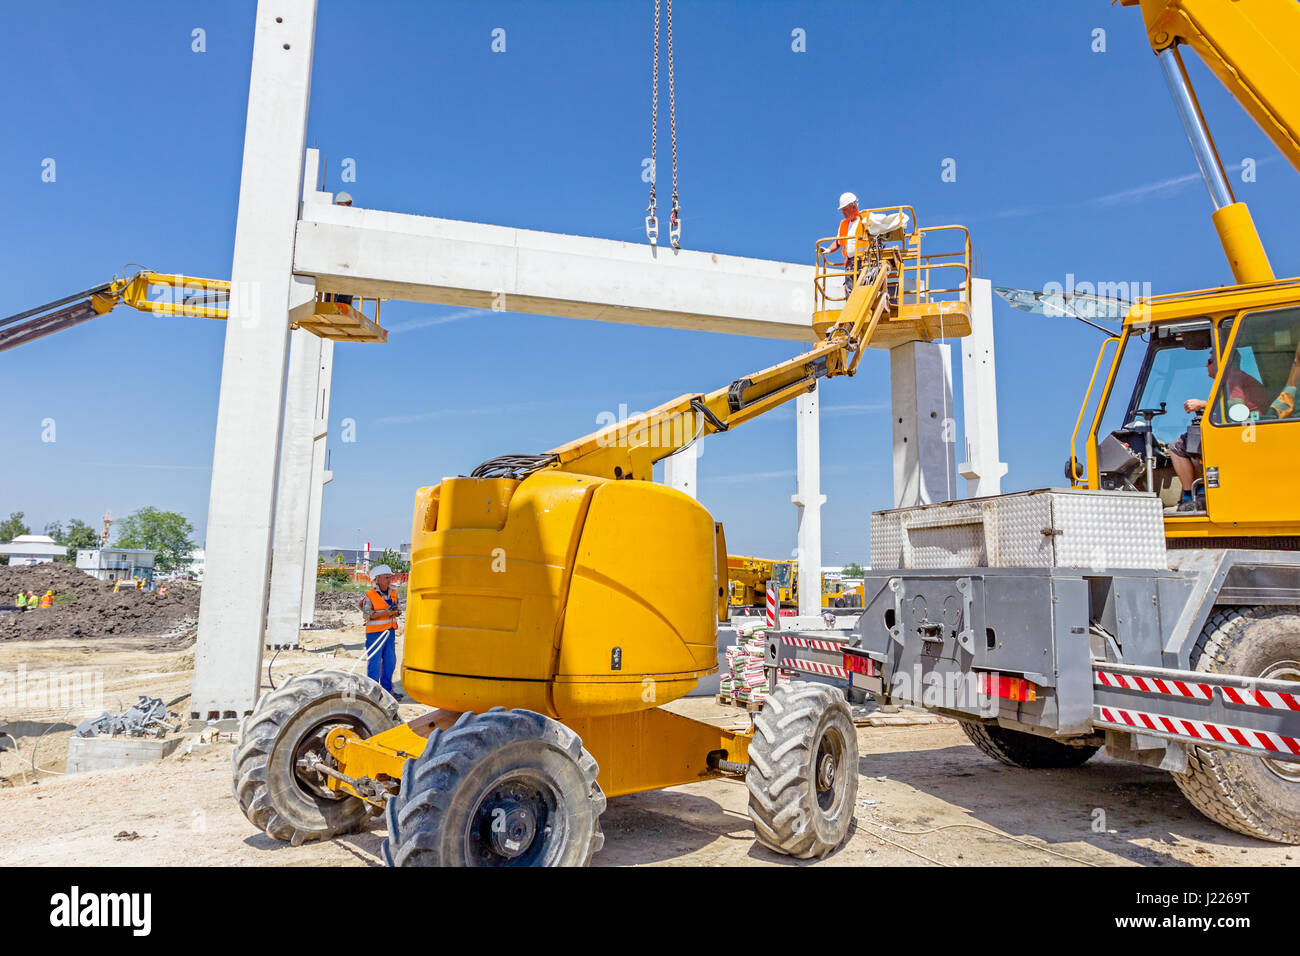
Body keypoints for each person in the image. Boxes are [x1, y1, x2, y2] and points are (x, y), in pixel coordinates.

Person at [1169, 349, 1270, 511]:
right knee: (1196, 441)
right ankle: (1201, 491)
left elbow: (1236, 410)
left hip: (1243, 432)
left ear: (1223, 363)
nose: (1206, 365)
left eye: (1210, 361)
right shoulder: (1235, 378)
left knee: (1177, 446)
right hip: (1249, 431)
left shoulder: (1232, 378)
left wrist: (1202, 404)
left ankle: (1190, 496)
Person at [359, 564, 401, 696]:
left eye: (390, 577)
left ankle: (387, 692)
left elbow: (397, 609)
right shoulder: (370, 596)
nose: (389, 580)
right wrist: (385, 613)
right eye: (386, 577)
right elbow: (366, 614)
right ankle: (372, 693)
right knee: (374, 664)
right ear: (377, 579)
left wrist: (396, 612)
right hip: (375, 634)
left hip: (389, 633)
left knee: (390, 663)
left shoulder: (393, 593)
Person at [826, 192, 868, 295]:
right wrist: (828, 250)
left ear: (853, 206)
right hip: (850, 264)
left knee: (864, 290)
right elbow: (838, 242)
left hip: (865, 262)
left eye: (845, 209)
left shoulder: (865, 220)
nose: (843, 213)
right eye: (842, 210)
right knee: (850, 292)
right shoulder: (844, 224)